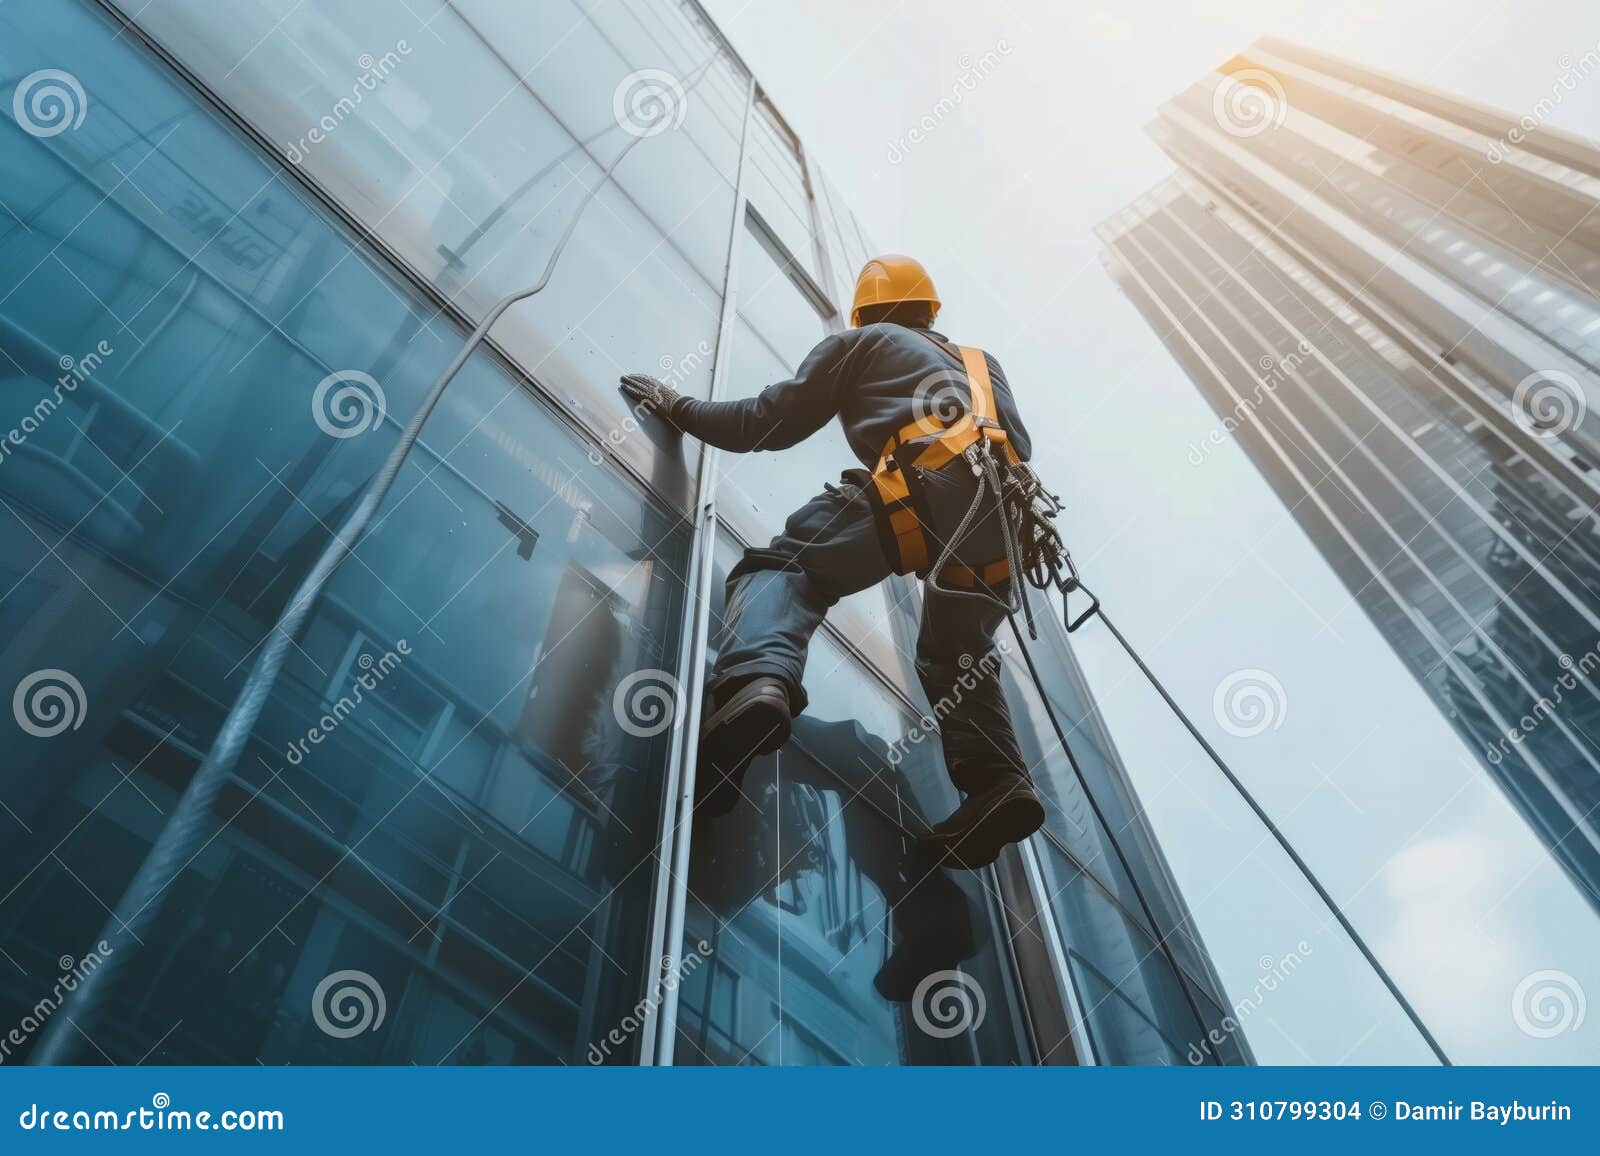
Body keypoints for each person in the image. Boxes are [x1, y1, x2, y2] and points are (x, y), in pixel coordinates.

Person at [620, 254, 1043, 868]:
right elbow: (1015, 445)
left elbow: (764, 423)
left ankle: (757, 682)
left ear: (868, 311)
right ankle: (999, 783)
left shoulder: (864, 342)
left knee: (786, 567)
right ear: (928, 310)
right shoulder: (983, 365)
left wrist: (676, 405)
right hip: (1005, 530)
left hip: (923, 488)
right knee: (955, 655)